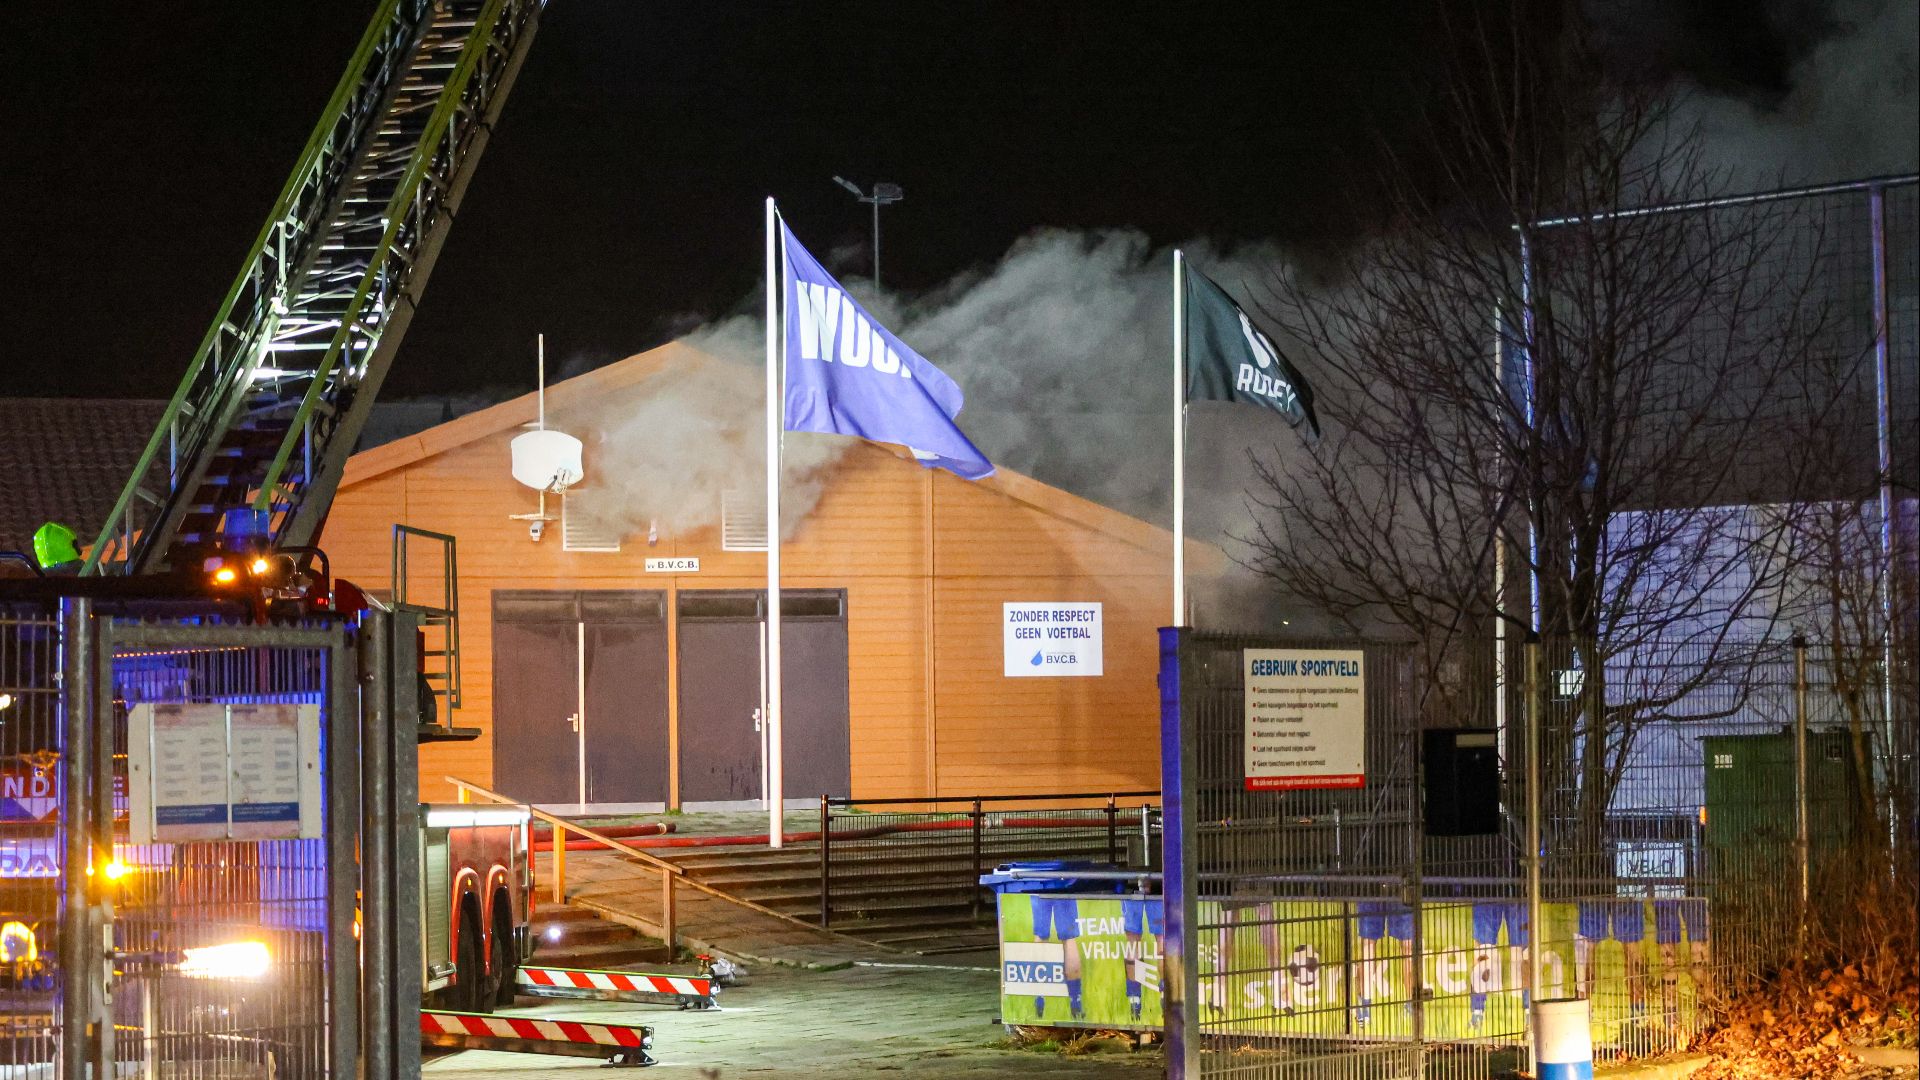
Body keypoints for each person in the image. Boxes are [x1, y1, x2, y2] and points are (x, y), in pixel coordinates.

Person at [1354, 900, 1414, 1027]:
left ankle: (1411, 1004)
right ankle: (1364, 1005)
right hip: (1394, 887)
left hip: (1383, 887)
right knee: (1369, 948)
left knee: (1407, 948)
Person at [1030, 894, 1083, 1020]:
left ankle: (1039, 999)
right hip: (1063, 880)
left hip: (1038, 878)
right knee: (1069, 938)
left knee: (1041, 935)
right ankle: (1075, 1002)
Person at [1121, 894, 1163, 1022]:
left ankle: (1134, 1000)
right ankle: (1166, 996)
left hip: (1132, 881)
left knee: (1132, 941)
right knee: (1162, 938)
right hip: (1159, 882)